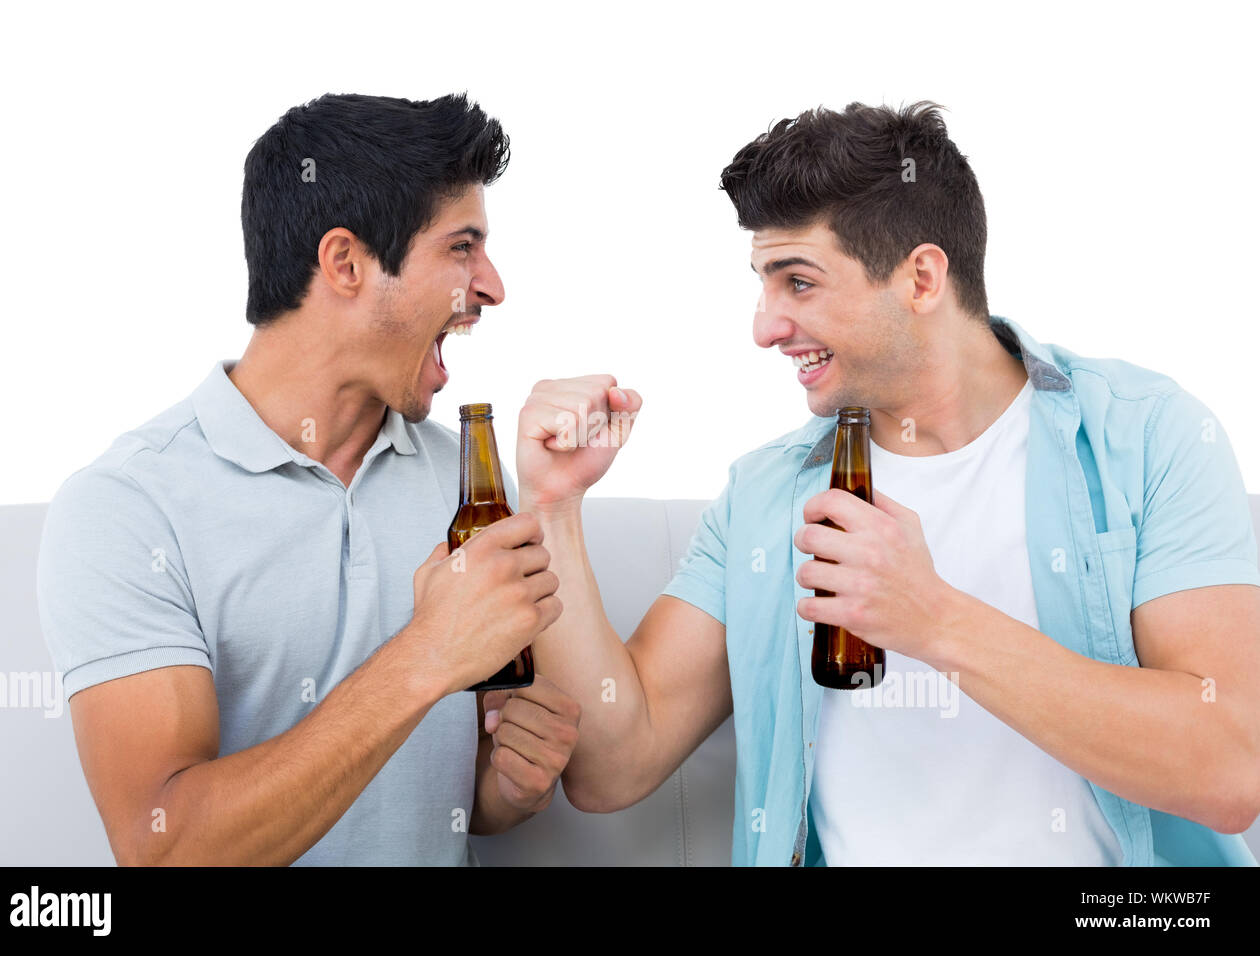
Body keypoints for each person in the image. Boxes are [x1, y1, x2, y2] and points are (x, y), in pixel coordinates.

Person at [517, 101, 1260, 865]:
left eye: (798, 282)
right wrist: (552, 506)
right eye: (763, 284)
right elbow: (615, 763)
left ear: (923, 278)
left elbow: (1230, 767)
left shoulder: (1147, 437)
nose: (764, 326)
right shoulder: (766, 496)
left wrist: (935, 621)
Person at [37, 93, 579, 866]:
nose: (492, 286)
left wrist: (506, 785)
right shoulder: (127, 509)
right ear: (346, 263)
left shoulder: (462, 489)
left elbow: (450, 797)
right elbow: (165, 845)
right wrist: (425, 654)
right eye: (462, 247)